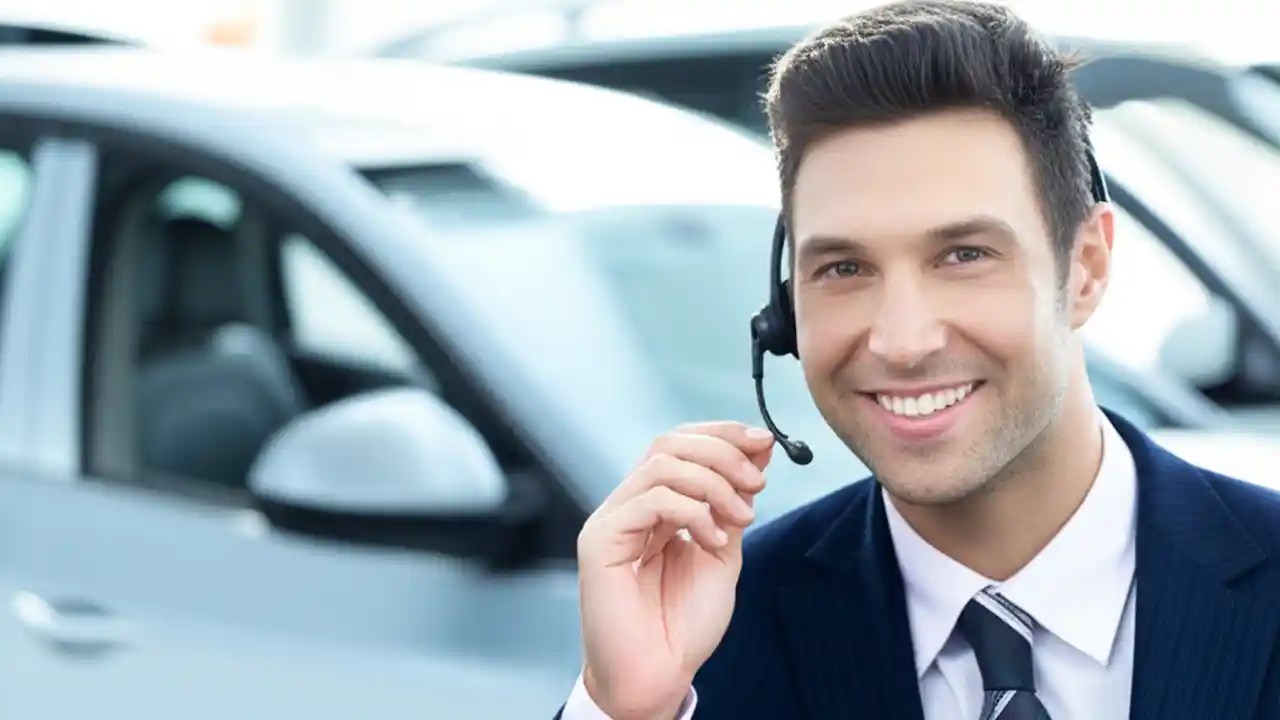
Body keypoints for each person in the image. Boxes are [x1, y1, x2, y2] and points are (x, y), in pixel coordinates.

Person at [557, 2, 1280, 718]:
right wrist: (625, 713)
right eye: (844, 268)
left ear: (1085, 268)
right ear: (785, 309)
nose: (902, 342)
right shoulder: (707, 646)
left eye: (963, 255)